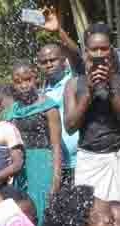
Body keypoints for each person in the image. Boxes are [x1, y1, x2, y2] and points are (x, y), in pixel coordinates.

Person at [66, 23, 120, 203]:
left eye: (103, 48)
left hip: (118, 157)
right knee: (89, 217)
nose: (99, 54)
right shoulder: (74, 85)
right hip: (88, 160)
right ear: (86, 52)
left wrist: (111, 92)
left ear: (111, 50)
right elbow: (70, 126)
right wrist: (89, 94)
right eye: (94, 49)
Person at [3, 62, 64, 225]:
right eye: (18, 81)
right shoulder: (13, 111)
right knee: (23, 213)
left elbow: (57, 146)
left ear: (35, 79)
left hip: (44, 165)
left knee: (42, 210)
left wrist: (56, 181)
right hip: (21, 169)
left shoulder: (48, 107)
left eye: (27, 79)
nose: (23, 85)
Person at [37, 15, 86, 174]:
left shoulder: (74, 80)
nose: (48, 64)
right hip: (58, 166)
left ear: (63, 61)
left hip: (81, 160)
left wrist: (59, 31)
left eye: (53, 60)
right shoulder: (40, 92)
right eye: (44, 62)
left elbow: (78, 55)